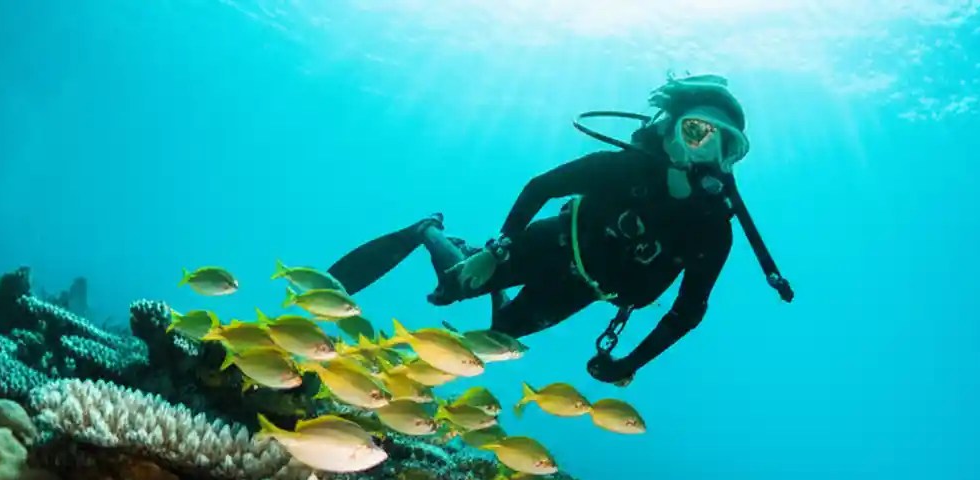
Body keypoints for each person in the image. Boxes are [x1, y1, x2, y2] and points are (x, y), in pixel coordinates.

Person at [327, 74, 789, 386]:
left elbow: (688, 312)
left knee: (500, 338)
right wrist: (497, 249)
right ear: (668, 130)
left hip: (586, 290)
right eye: (695, 131)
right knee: (452, 289)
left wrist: (630, 363)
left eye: (723, 142)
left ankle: (481, 282)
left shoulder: (713, 231)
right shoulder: (620, 168)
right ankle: (428, 231)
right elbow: (541, 187)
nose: (703, 150)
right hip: (552, 244)